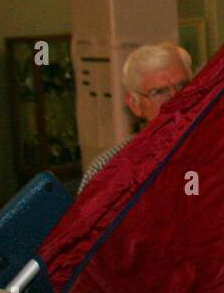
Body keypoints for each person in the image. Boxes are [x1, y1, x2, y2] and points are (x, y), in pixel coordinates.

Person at [78, 42, 192, 191]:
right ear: (134, 104)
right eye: (158, 92)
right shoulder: (107, 170)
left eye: (182, 86)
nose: (175, 98)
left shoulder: (219, 149)